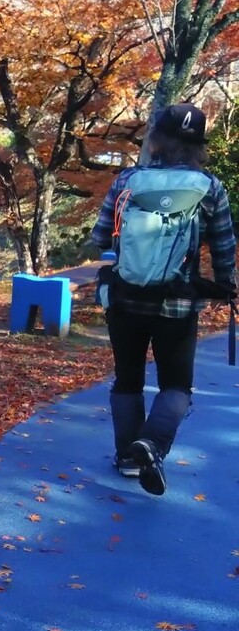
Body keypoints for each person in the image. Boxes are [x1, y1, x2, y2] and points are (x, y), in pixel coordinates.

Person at [91, 102, 236, 497]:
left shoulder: (127, 182)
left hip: (125, 299)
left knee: (128, 379)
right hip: (178, 303)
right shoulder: (211, 188)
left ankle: (126, 457)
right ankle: (152, 444)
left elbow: (100, 237)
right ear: (198, 147)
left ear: (156, 138)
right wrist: (226, 285)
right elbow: (224, 248)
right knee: (176, 385)